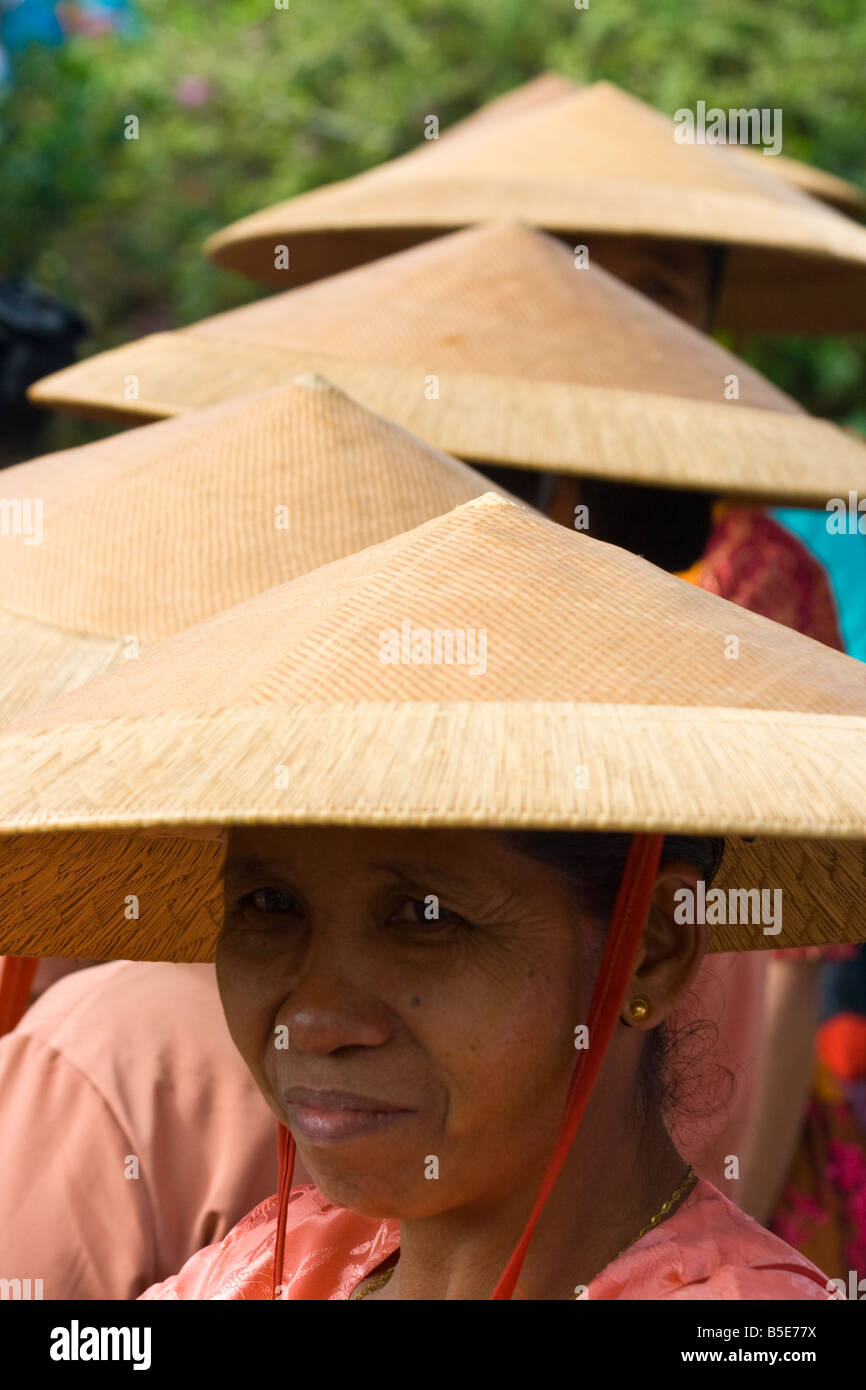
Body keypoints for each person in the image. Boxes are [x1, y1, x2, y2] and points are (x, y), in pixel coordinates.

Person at [0, 490, 862, 1299]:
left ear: (655, 948)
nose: (315, 1021)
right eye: (268, 905)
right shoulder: (268, 1268)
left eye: (425, 917)